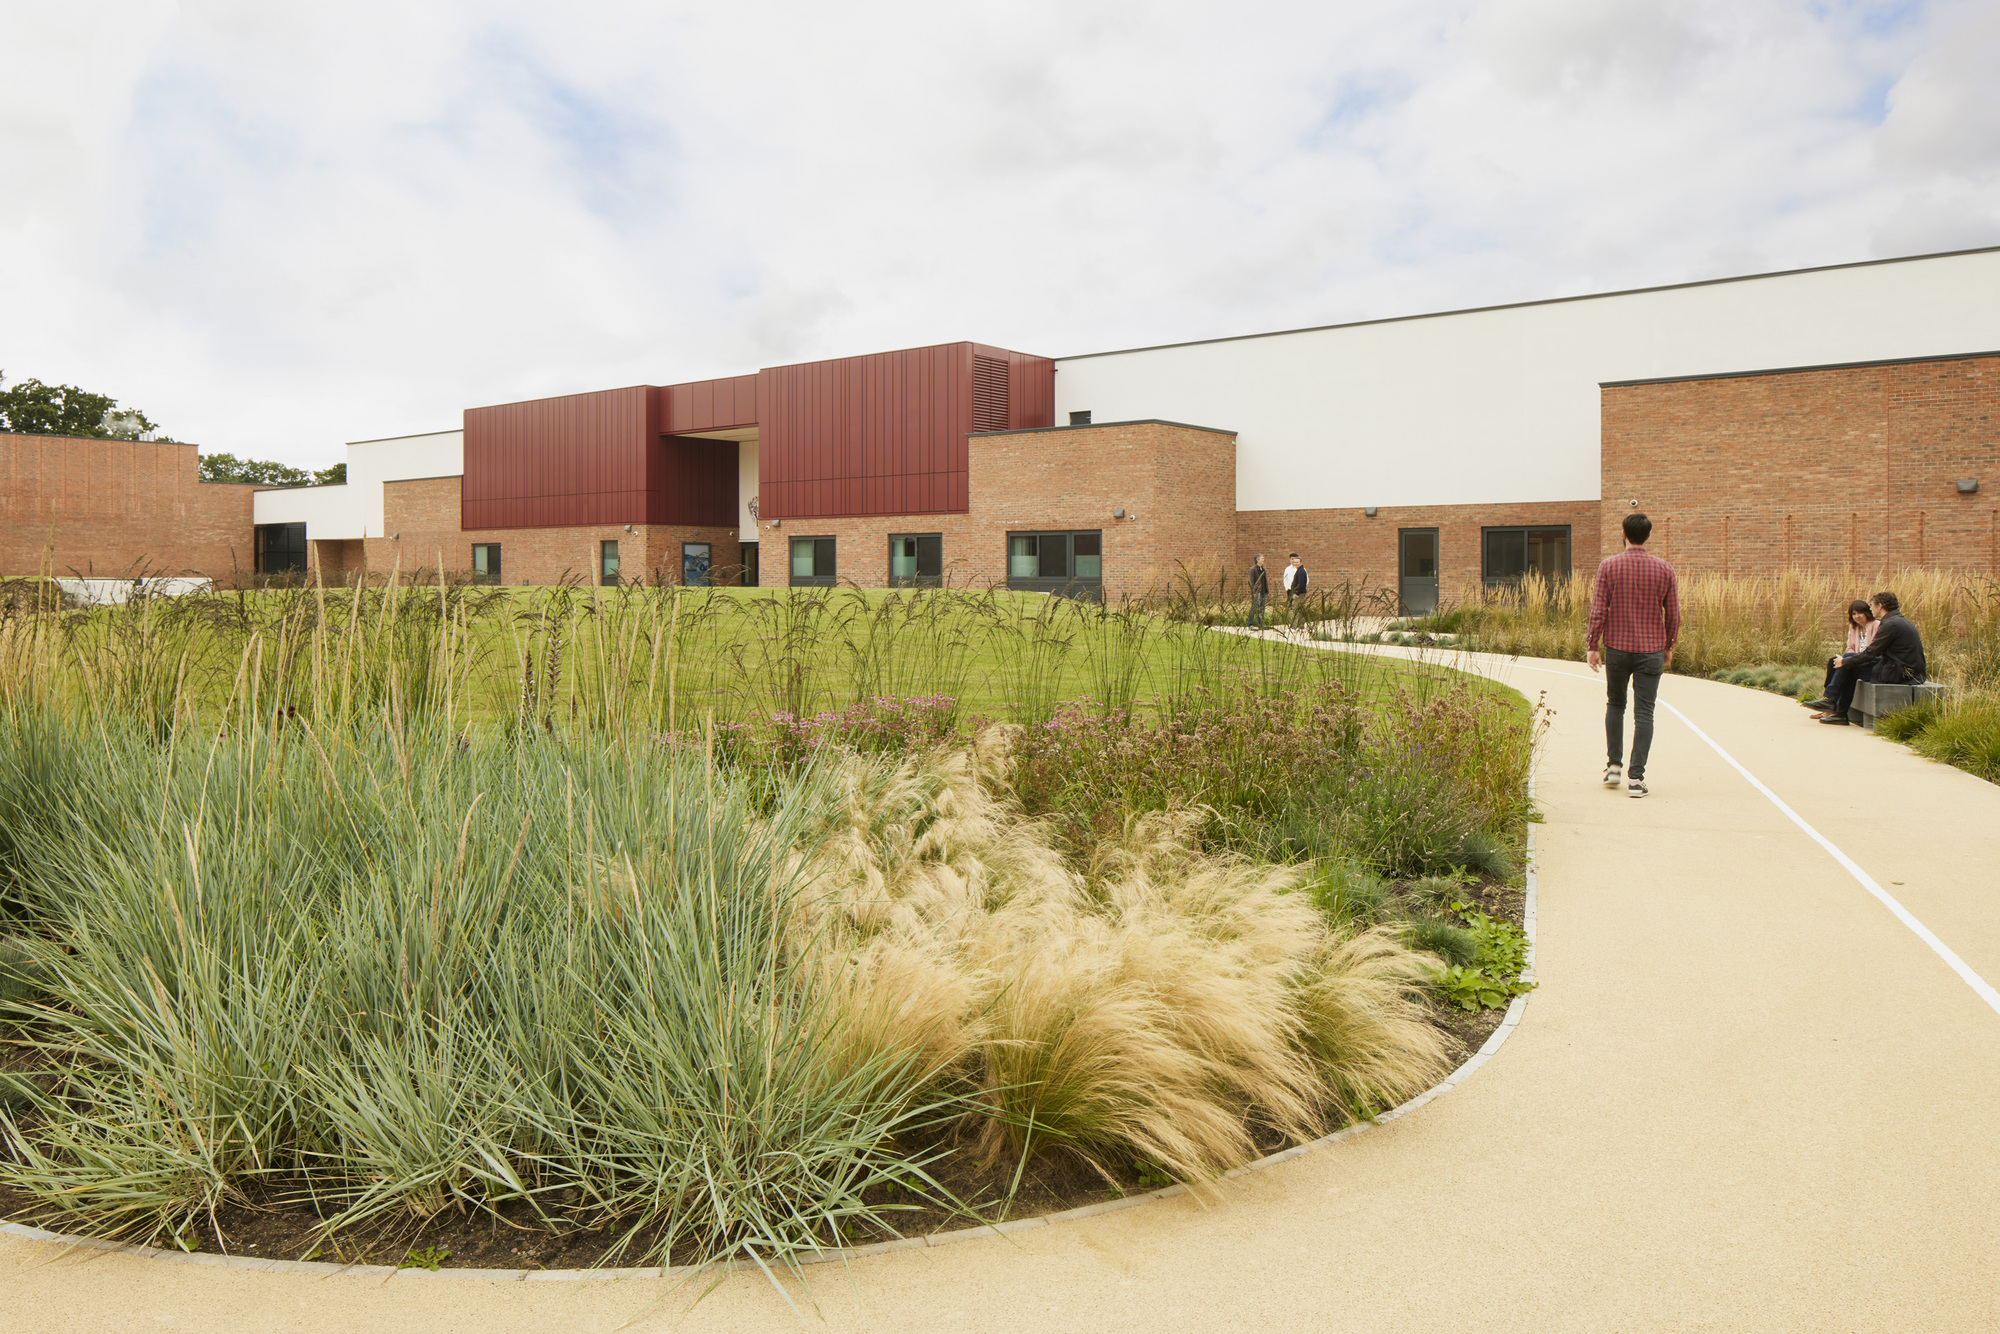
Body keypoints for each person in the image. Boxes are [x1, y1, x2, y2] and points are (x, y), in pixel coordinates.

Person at [1587, 511, 1680, 799]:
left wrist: (1592, 644)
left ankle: (1614, 766)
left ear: (1623, 534)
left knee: (1615, 704)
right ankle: (1636, 779)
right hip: (1650, 650)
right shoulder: (1665, 570)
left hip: (1616, 647)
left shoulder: (1608, 567)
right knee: (1645, 712)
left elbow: (1599, 609)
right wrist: (1668, 646)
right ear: (1648, 536)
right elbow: (1673, 615)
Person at [1806, 591, 1927, 725]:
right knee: (1848, 661)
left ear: (1880, 606)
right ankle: (1833, 705)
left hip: (1901, 673)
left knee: (1848, 664)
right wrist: (1846, 660)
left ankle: (1835, 706)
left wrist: (1845, 661)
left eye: (1871, 606)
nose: (1870, 609)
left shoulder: (1889, 624)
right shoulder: (1897, 620)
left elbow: (1871, 652)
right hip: (1901, 669)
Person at [1803, 601, 1875, 719]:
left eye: (1860, 613)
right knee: (1834, 662)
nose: (1857, 616)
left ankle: (1829, 703)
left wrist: (1848, 659)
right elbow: (1850, 647)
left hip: (1868, 662)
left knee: (1845, 664)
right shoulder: (1853, 627)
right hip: (1856, 661)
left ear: (1867, 612)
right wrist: (1846, 658)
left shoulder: (1876, 625)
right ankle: (1828, 703)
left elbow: (1873, 650)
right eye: (1854, 614)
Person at [1247, 554, 1270, 629]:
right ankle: (1250, 624)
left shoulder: (1263, 569)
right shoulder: (1253, 569)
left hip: (1263, 592)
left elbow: (1265, 581)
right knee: (1254, 607)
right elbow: (1252, 581)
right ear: (1258, 560)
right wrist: (1254, 592)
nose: (1263, 560)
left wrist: (1267, 591)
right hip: (1257, 592)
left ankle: (1260, 624)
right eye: (1262, 558)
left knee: (1262, 608)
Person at [1289, 556, 1310, 626]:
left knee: (1295, 609)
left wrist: (1297, 593)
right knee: (1300, 610)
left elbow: (1301, 584)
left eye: (1297, 562)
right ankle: (1300, 626)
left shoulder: (1301, 571)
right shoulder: (1300, 570)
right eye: (1295, 562)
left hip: (1300, 594)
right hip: (1301, 593)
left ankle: (1294, 626)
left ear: (1301, 562)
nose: (1296, 563)